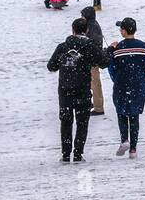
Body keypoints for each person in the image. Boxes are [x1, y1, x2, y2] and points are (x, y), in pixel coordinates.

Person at [47, 16, 112, 164]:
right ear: (87, 31)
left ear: (73, 30)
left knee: (66, 122)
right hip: (82, 89)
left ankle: (65, 154)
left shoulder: (63, 47)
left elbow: (51, 66)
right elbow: (104, 62)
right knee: (82, 122)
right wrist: (109, 50)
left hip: (65, 90)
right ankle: (77, 153)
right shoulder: (89, 47)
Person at [109, 17, 145, 158]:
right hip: (138, 85)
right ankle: (133, 149)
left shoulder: (117, 48)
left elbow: (112, 67)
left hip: (121, 85)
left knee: (121, 113)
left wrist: (115, 79)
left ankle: (124, 140)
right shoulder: (143, 46)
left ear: (123, 31)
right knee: (134, 116)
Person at [80, 6, 107, 115]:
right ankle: (91, 102)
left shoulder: (92, 27)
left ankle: (98, 107)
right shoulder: (92, 25)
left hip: (92, 60)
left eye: (83, 15)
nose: (81, 17)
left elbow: (92, 44)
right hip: (90, 59)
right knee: (89, 83)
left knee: (95, 84)